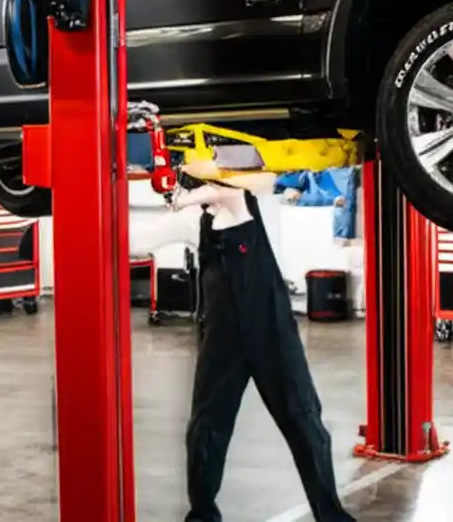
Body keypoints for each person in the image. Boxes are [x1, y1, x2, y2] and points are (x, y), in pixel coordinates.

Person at [130, 158, 355, 522]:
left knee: (304, 421)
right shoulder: (194, 219)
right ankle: (202, 515)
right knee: (206, 428)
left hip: (272, 334)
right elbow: (135, 242)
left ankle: (331, 516)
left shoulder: (254, 196)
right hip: (223, 340)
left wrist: (190, 196)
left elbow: (245, 188)